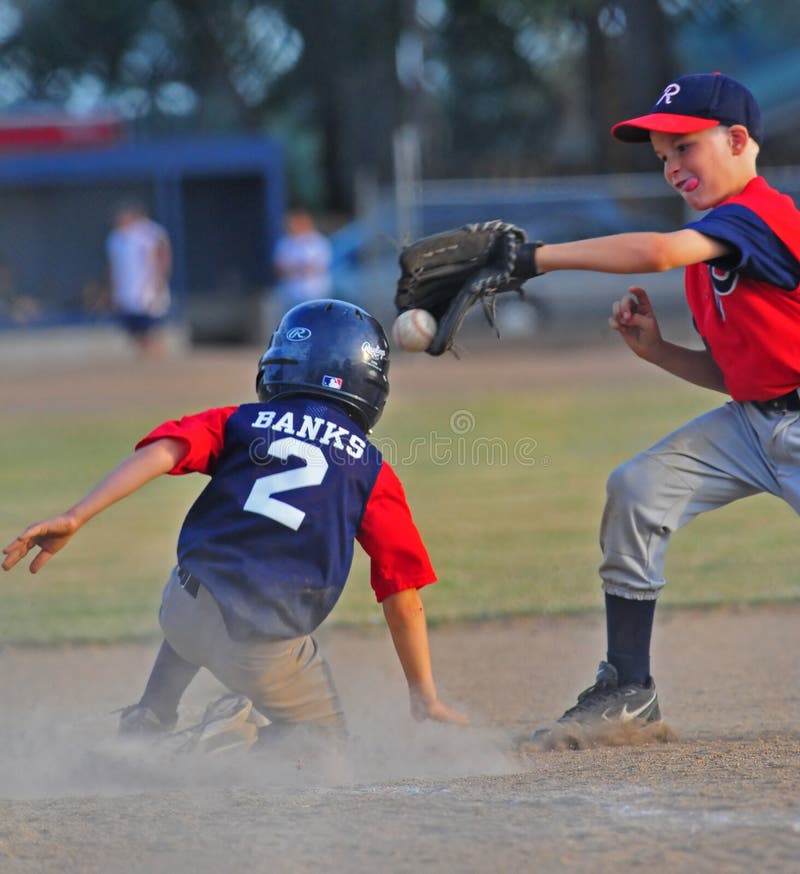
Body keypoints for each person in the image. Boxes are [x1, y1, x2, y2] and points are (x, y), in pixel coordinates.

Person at [2, 299, 467, 757]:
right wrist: (423, 693)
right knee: (322, 752)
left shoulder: (241, 420)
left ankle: (151, 714)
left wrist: (77, 515)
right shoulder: (370, 470)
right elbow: (402, 594)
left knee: (213, 578)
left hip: (181, 608)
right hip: (260, 646)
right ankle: (224, 743)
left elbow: (166, 449)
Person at [502, 72, 800, 744]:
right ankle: (629, 686)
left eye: (683, 148)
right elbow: (737, 376)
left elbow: (659, 251)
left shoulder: (762, 215)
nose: (671, 168)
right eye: (661, 158)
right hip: (755, 424)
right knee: (638, 489)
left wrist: (533, 260)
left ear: (738, 140)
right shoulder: (712, 255)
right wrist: (659, 351)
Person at [106, 201, 172, 357]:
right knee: (132, 326)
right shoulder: (115, 239)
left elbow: (162, 256)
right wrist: (112, 287)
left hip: (145, 286)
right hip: (126, 290)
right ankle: (146, 353)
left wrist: (159, 280)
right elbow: (112, 265)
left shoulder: (149, 233)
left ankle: (155, 352)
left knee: (149, 322)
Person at [272, 209, 334, 311]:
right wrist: (301, 268)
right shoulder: (285, 243)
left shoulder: (319, 241)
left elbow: (321, 266)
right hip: (291, 295)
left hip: (316, 294)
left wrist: (297, 268)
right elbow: (280, 268)